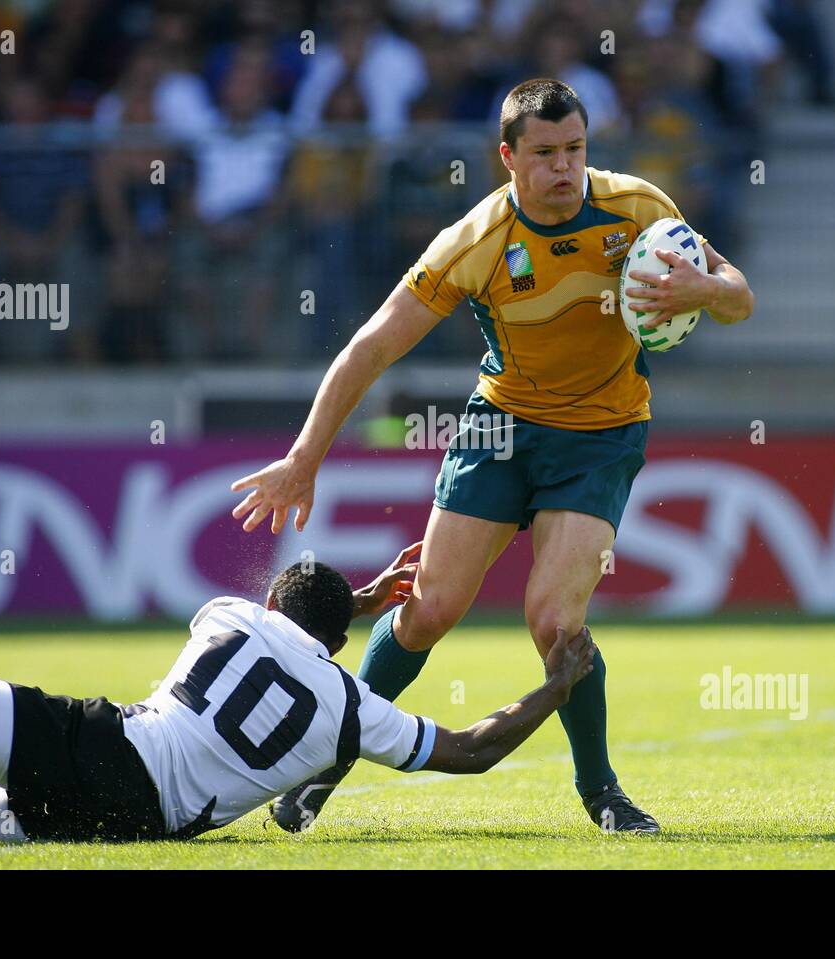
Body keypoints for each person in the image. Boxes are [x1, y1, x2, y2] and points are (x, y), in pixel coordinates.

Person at [231, 78, 754, 834]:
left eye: (575, 149)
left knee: (554, 618)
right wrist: (303, 458)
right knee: (428, 609)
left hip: (602, 434)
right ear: (508, 157)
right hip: (499, 428)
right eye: (544, 154)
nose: (564, 168)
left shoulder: (640, 209)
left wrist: (704, 286)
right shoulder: (475, 242)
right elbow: (371, 346)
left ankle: (601, 792)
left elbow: (740, 296)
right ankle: (325, 765)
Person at [0, 545, 596, 845]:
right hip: (141, 825)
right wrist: (555, 684)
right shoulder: (353, 709)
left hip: (115, 747)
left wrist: (355, 597)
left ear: (274, 602)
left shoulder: (228, 615)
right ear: (338, 641)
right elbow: (472, 748)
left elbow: (292, 617)